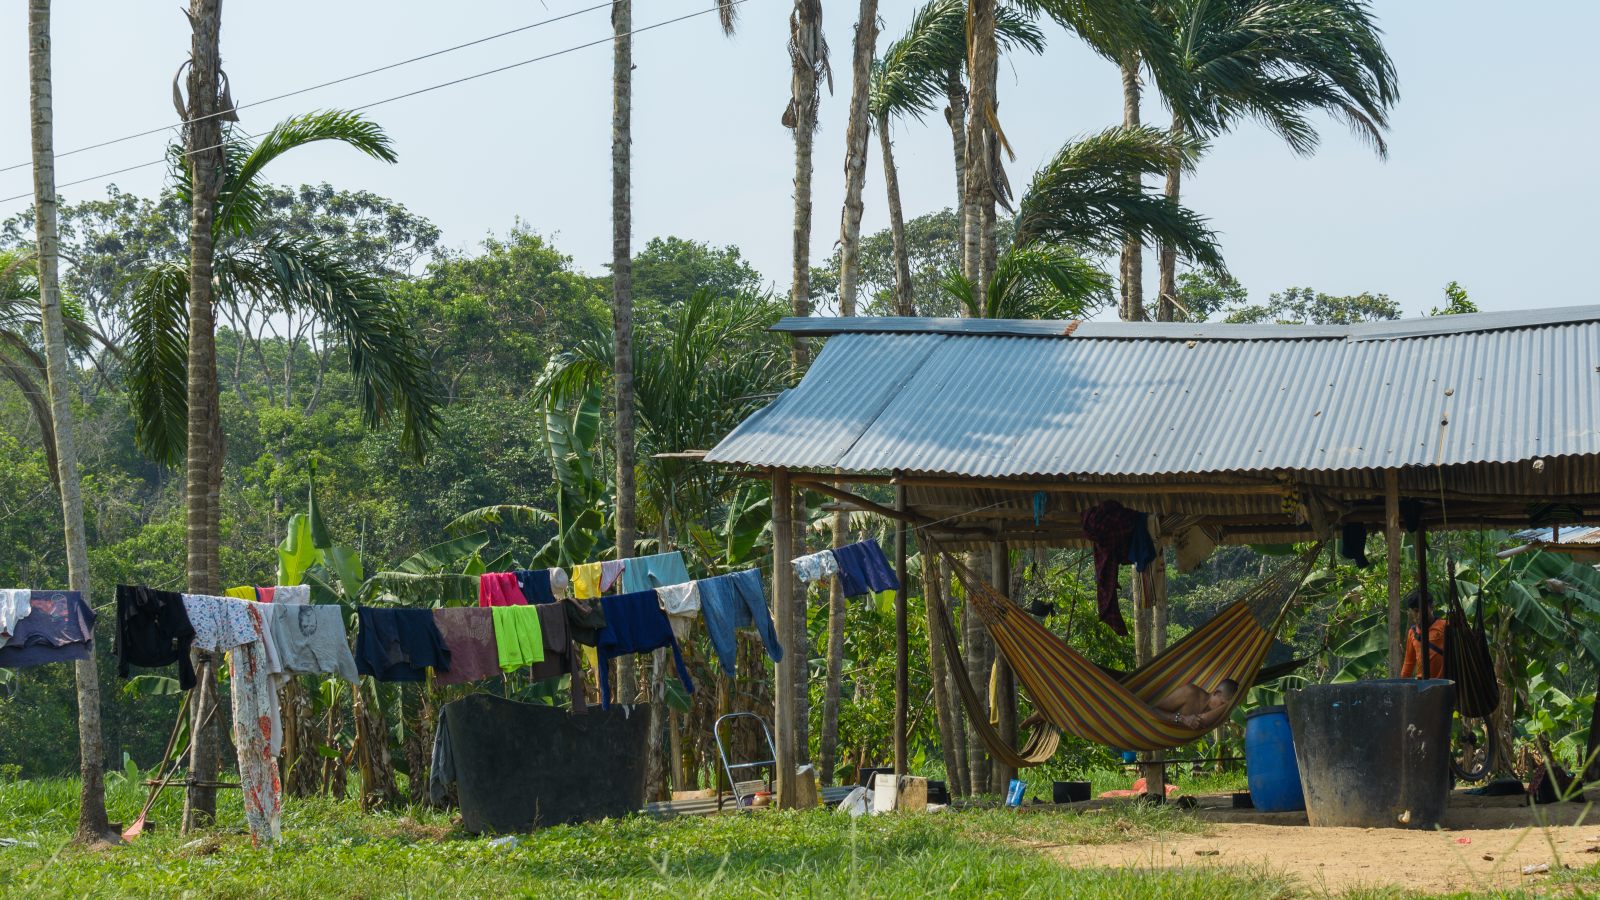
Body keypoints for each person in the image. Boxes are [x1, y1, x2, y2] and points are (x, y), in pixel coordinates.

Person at [1153, 678, 1239, 730]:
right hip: (1153, 729)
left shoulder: (1219, 715)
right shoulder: (1190, 693)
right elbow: (1155, 710)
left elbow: (1204, 719)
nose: (1222, 708)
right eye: (1223, 703)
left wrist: (1228, 705)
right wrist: (1182, 719)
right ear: (1216, 693)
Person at [1400, 589, 1447, 679]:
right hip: (1423, 685)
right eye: (1416, 611)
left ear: (1431, 607)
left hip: (1445, 684)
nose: (1419, 615)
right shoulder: (1412, 633)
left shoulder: (1445, 626)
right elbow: (1408, 664)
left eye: (1423, 610)